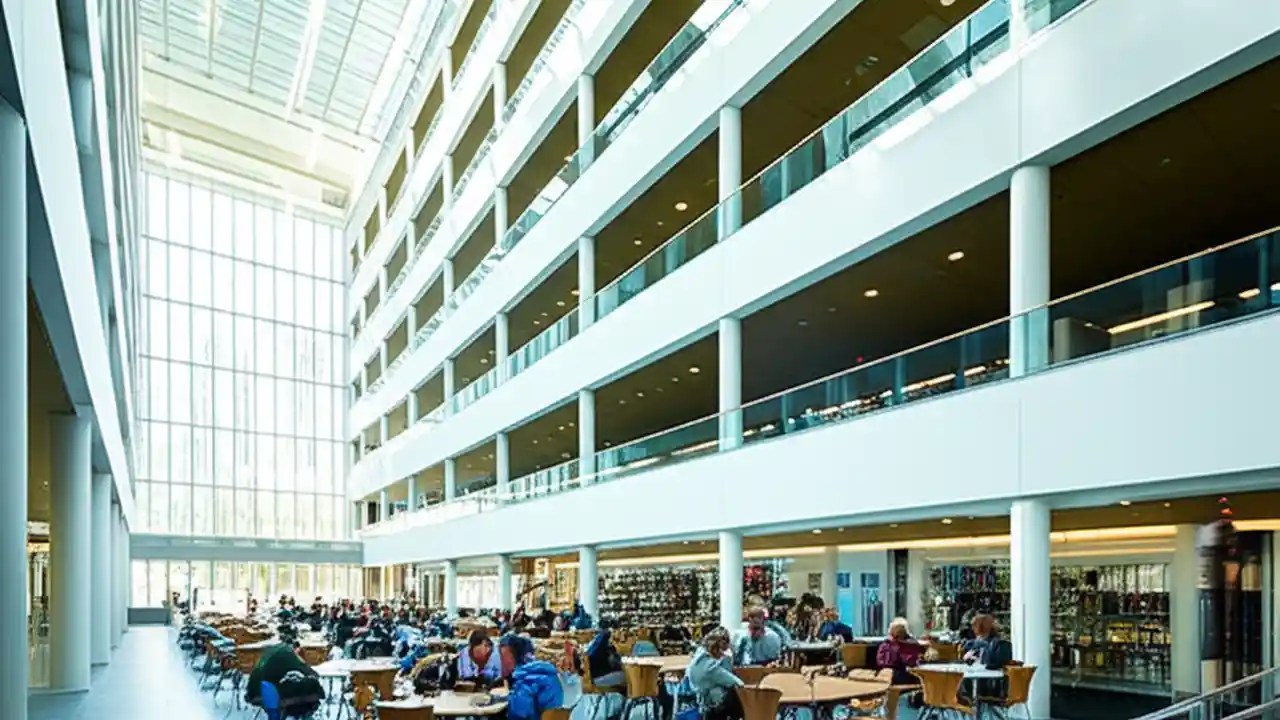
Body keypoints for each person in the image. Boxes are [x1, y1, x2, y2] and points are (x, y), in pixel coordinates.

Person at [245, 643, 326, 717]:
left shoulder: (269, 661)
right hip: (299, 697)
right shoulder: (290, 657)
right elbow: (311, 673)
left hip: (276, 696)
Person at [500, 634, 564, 720]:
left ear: (514, 656)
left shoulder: (525, 679)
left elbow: (520, 713)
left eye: (504, 656)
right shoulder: (547, 671)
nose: (502, 661)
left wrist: (511, 697)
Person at [688, 627, 744, 720]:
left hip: (702, 702)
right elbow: (736, 682)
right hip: (713, 705)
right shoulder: (710, 667)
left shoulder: (698, 658)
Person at [961, 614, 1013, 700]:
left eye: (974, 626)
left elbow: (991, 663)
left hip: (992, 683)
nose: (972, 629)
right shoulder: (975, 643)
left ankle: (974, 702)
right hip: (981, 677)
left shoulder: (997, 644)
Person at [876, 618, 923, 685]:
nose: (895, 636)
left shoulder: (911, 644)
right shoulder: (886, 644)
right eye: (893, 633)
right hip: (887, 672)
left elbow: (912, 662)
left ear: (904, 633)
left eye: (900, 633)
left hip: (905, 673)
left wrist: (900, 653)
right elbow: (881, 661)